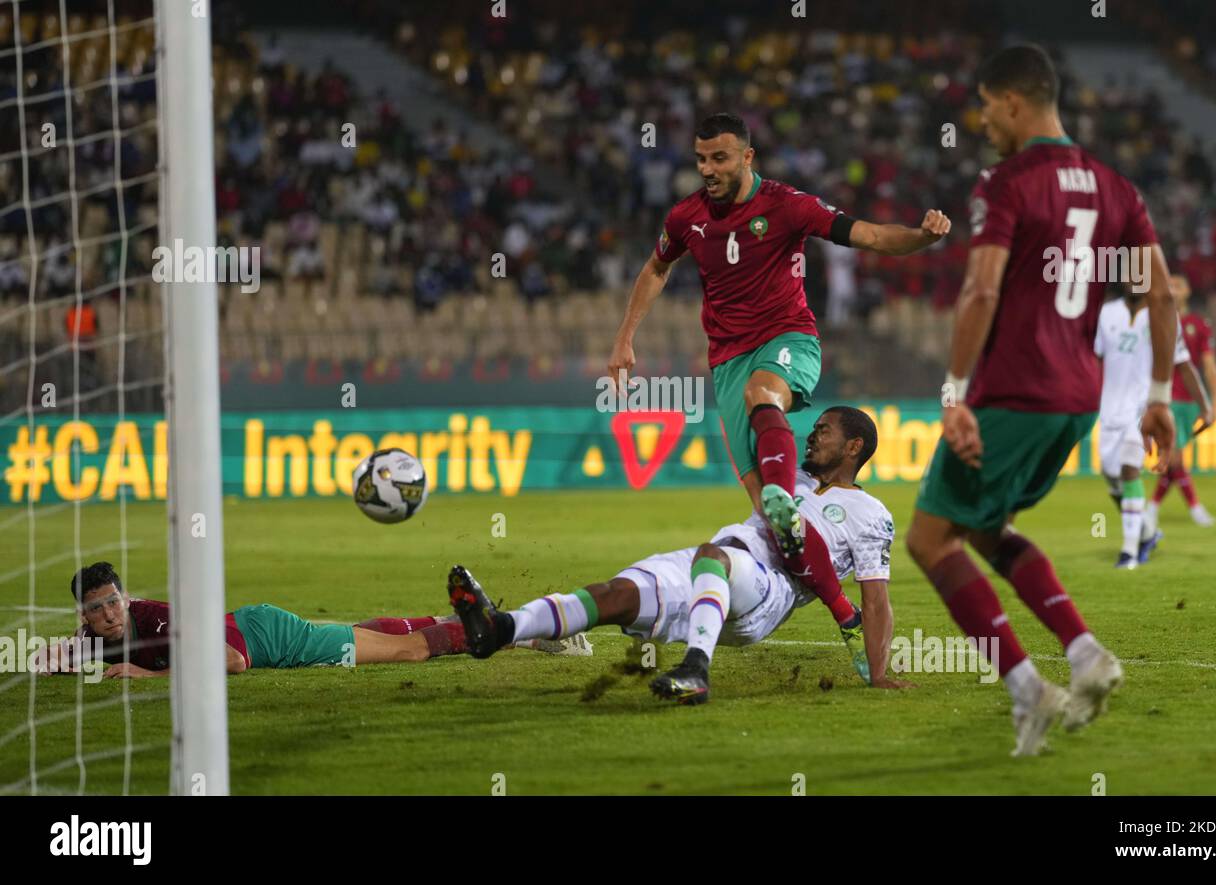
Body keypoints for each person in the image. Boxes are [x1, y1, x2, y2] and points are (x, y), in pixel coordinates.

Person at [906, 45, 1179, 756]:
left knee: (929, 539)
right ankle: (1084, 654)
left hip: (1015, 391)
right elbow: (1159, 294)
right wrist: (1159, 396)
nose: (982, 121)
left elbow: (981, 289)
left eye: (985, 107)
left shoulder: (1007, 182)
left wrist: (954, 392)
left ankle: (1030, 689)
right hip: (1077, 398)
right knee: (985, 529)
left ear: (1013, 102)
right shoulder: (1117, 188)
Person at [608, 111, 948, 680]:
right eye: (701, 159)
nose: (708, 169)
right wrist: (624, 337)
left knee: (763, 394)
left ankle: (781, 497)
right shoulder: (687, 217)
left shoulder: (788, 205)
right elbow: (655, 268)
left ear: (747, 157)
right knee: (772, 518)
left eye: (719, 158)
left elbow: (867, 235)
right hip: (727, 362)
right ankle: (846, 618)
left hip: (788, 339)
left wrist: (921, 238)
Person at [448, 407, 913, 703]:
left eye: (824, 431)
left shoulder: (870, 514)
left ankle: (696, 670)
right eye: (812, 429)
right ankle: (501, 628)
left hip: (768, 590)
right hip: (716, 568)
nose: (812, 437)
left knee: (715, 555)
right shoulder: (788, 477)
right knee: (614, 594)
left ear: (854, 447)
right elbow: (755, 429)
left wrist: (879, 673)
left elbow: (875, 598)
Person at [51, 561, 588, 678]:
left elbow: (232, 663)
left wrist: (148, 676)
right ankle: (461, 618)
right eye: (97, 608)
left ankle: (524, 632)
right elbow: (56, 653)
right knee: (369, 631)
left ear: (127, 598)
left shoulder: (157, 620)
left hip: (271, 641)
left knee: (408, 652)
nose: (108, 614)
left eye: (113, 602)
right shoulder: (97, 633)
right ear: (84, 615)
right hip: (257, 622)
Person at [1095, 291, 1213, 568]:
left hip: (1145, 409)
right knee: (1112, 476)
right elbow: (1094, 360)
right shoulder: (1106, 314)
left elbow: (1184, 365)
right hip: (1109, 410)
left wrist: (1205, 406)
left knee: (1129, 468)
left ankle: (1129, 552)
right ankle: (1147, 532)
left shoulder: (1165, 316)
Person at [1147, 274, 1216, 529]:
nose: (1172, 289)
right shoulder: (1155, 320)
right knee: (1175, 458)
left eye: (1177, 285)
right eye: (1168, 285)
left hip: (1189, 401)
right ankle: (1194, 508)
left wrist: (1213, 403)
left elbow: (1210, 366)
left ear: (1188, 291)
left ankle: (1151, 508)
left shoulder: (1198, 325)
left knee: (1173, 460)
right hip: (1164, 398)